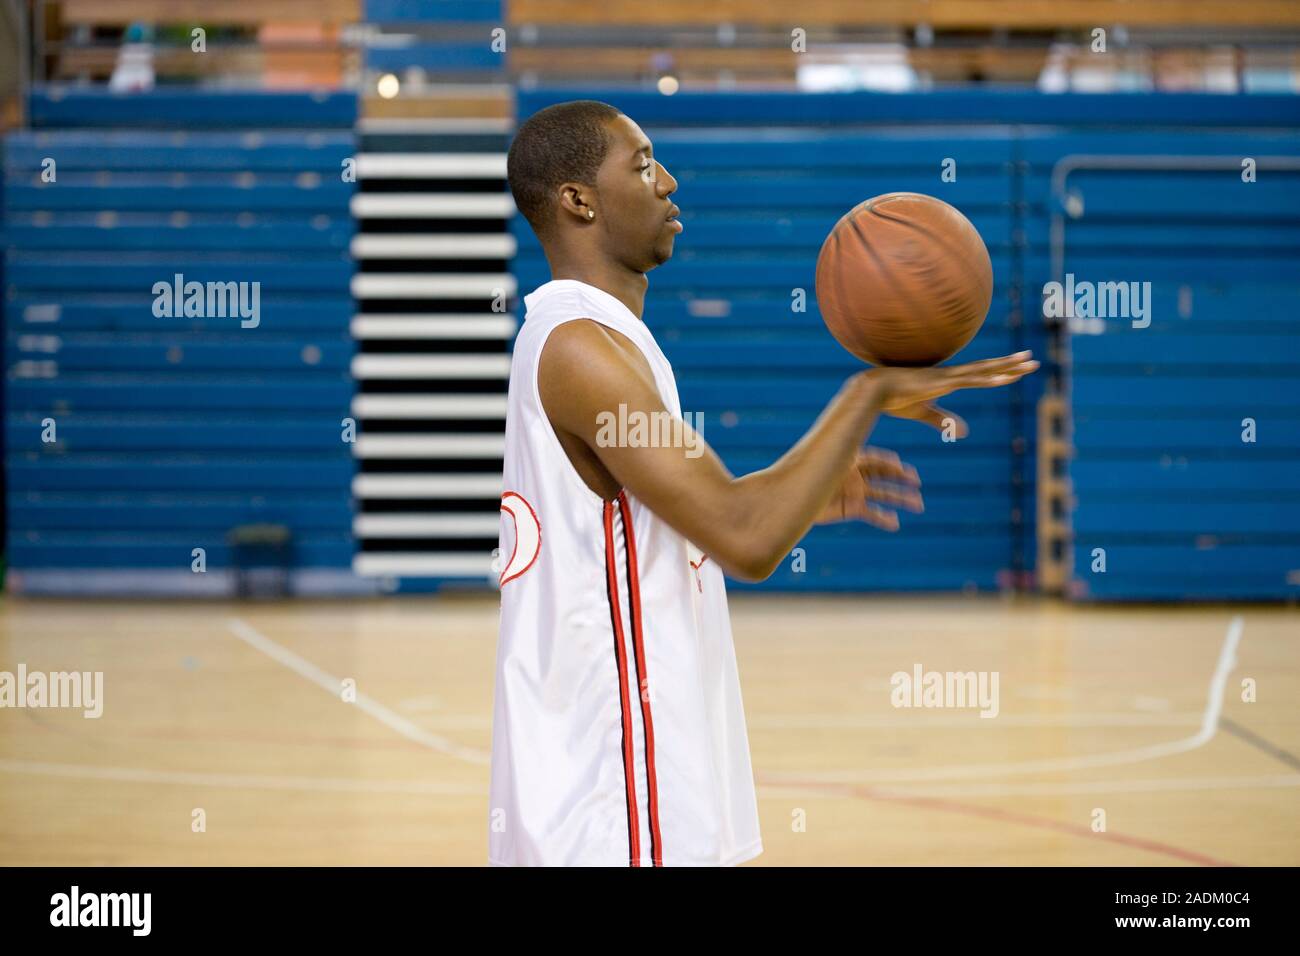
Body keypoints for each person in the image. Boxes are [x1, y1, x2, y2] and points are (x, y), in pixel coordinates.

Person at [489, 99, 1038, 866]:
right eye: (643, 164)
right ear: (578, 200)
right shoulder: (581, 351)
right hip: (611, 791)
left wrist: (803, 494)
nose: (669, 181)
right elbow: (746, 537)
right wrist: (867, 393)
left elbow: (695, 523)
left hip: (615, 776)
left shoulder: (590, 341)